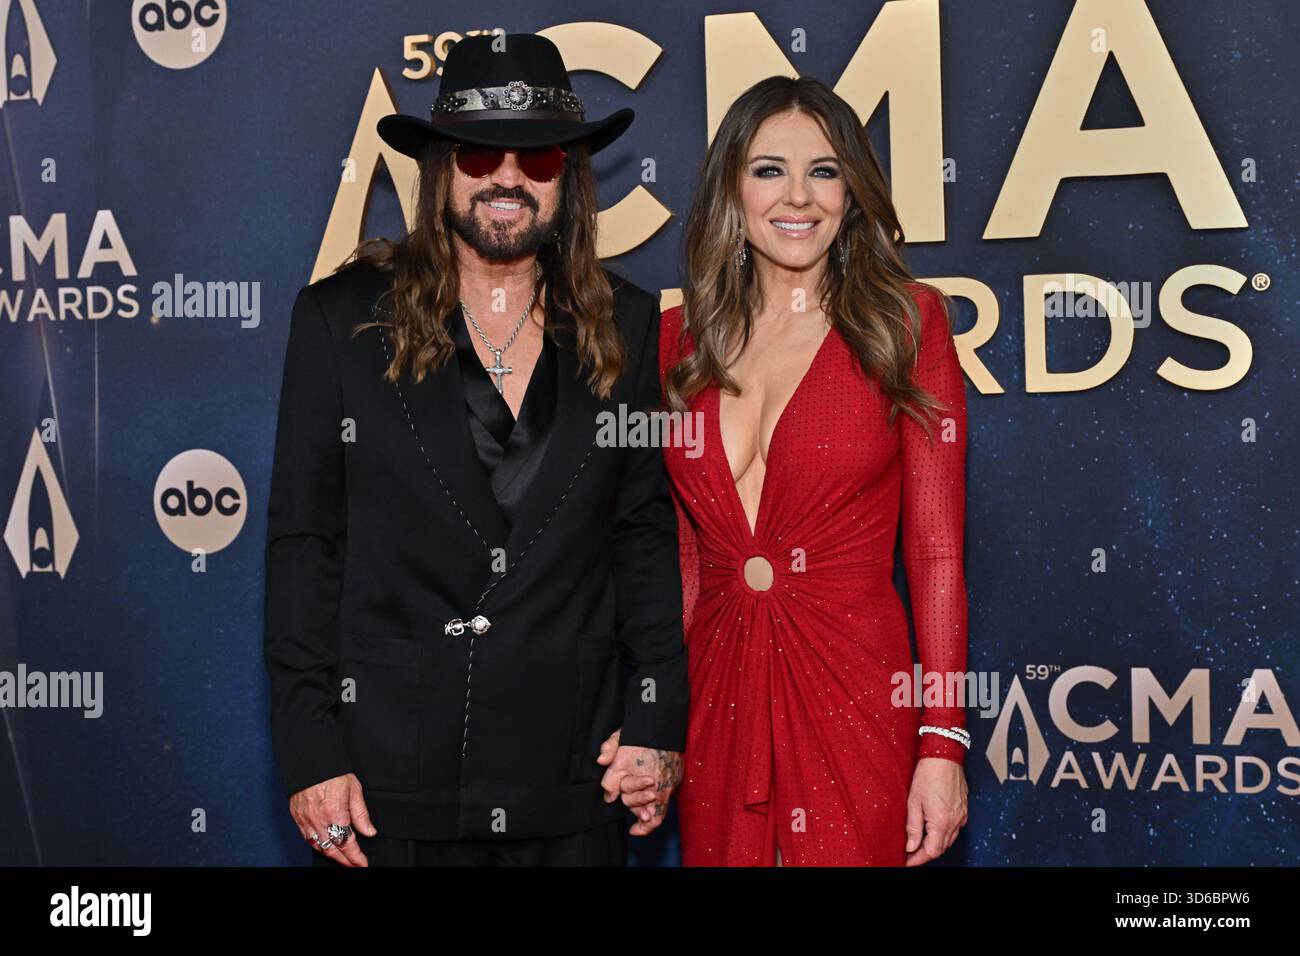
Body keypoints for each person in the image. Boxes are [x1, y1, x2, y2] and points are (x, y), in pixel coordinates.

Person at [263, 33, 686, 867]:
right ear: (440, 168)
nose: (507, 179)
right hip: (393, 780)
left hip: (577, 774)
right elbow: (304, 546)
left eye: (538, 159)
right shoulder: (339, 321)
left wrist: (656, 722)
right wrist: (312, 750)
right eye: (481, 153)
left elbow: (641, 537)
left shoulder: (630, 325)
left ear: (570, 175)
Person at [658, 75, 971, 866]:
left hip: (855, 687)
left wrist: (943, 744)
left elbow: (936, 556)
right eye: (769, 169)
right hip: (715, 694)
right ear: (732, 185)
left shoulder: (906, 322)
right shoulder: (673, 342)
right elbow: (684, 560)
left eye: (825, 171)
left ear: (853, 190)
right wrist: (656, 719)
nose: (798, 196)